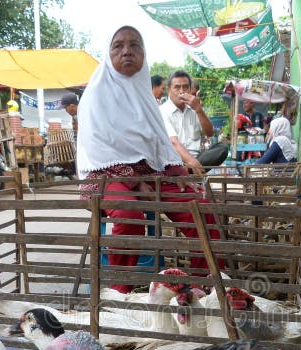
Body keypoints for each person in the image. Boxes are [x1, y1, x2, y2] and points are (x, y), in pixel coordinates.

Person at [78, 26, 223, 293]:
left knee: (198, 205)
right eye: (118, 45)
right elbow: (98, 146)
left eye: (135, 45)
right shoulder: (95, 95)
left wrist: (177, 171)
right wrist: (133, 182)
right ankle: (119, 291)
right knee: (128, 213)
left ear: (144, 54)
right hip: (104, 175)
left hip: (149, 173)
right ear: (107, 53)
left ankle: (205, 287)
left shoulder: (145, 97)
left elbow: (158, 142)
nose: (127, 51)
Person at [160, 70, 215, 174]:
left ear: (190, 89)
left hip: (197, 158)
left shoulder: (194, 108)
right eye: (177, 87)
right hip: (174, 160)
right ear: (169, 91)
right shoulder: (162, 111)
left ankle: (190, 169)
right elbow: (173, 142)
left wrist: (198, 109)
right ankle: (189, 168)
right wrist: (191, 161)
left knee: (222, 148)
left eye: (185, 87)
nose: (181, 91)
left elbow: (210, 133)